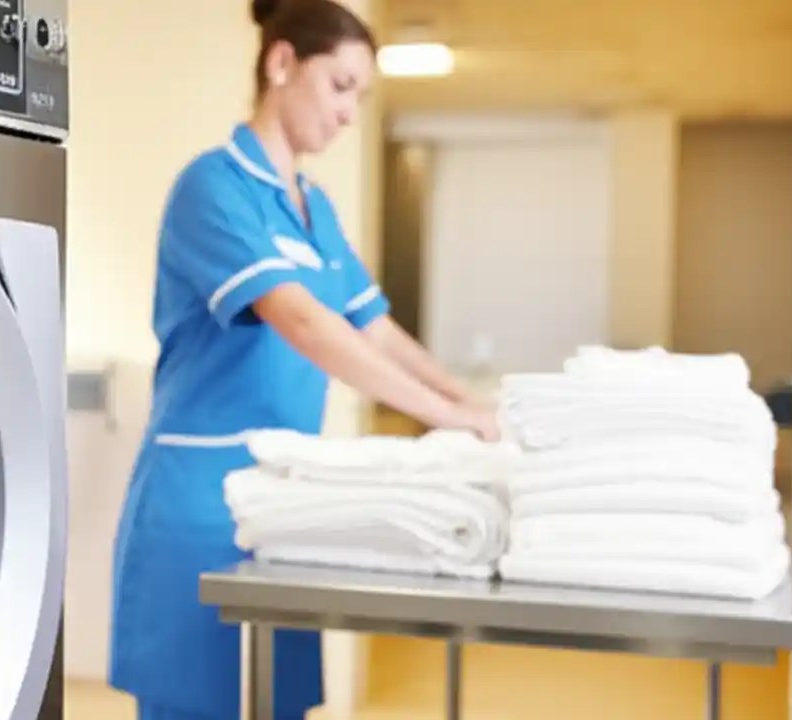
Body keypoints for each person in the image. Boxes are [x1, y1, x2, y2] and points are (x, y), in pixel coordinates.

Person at [108, 1, 501, 718]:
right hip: (202, 505)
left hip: (284, 509)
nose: (350, 113)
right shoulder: (215, 186)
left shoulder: (313, 207)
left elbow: (374, 329)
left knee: (275, 702)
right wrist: (442, 415)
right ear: (281, 63)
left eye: (361, 95)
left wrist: (469, 407)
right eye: (340, 85)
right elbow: (303, 321)